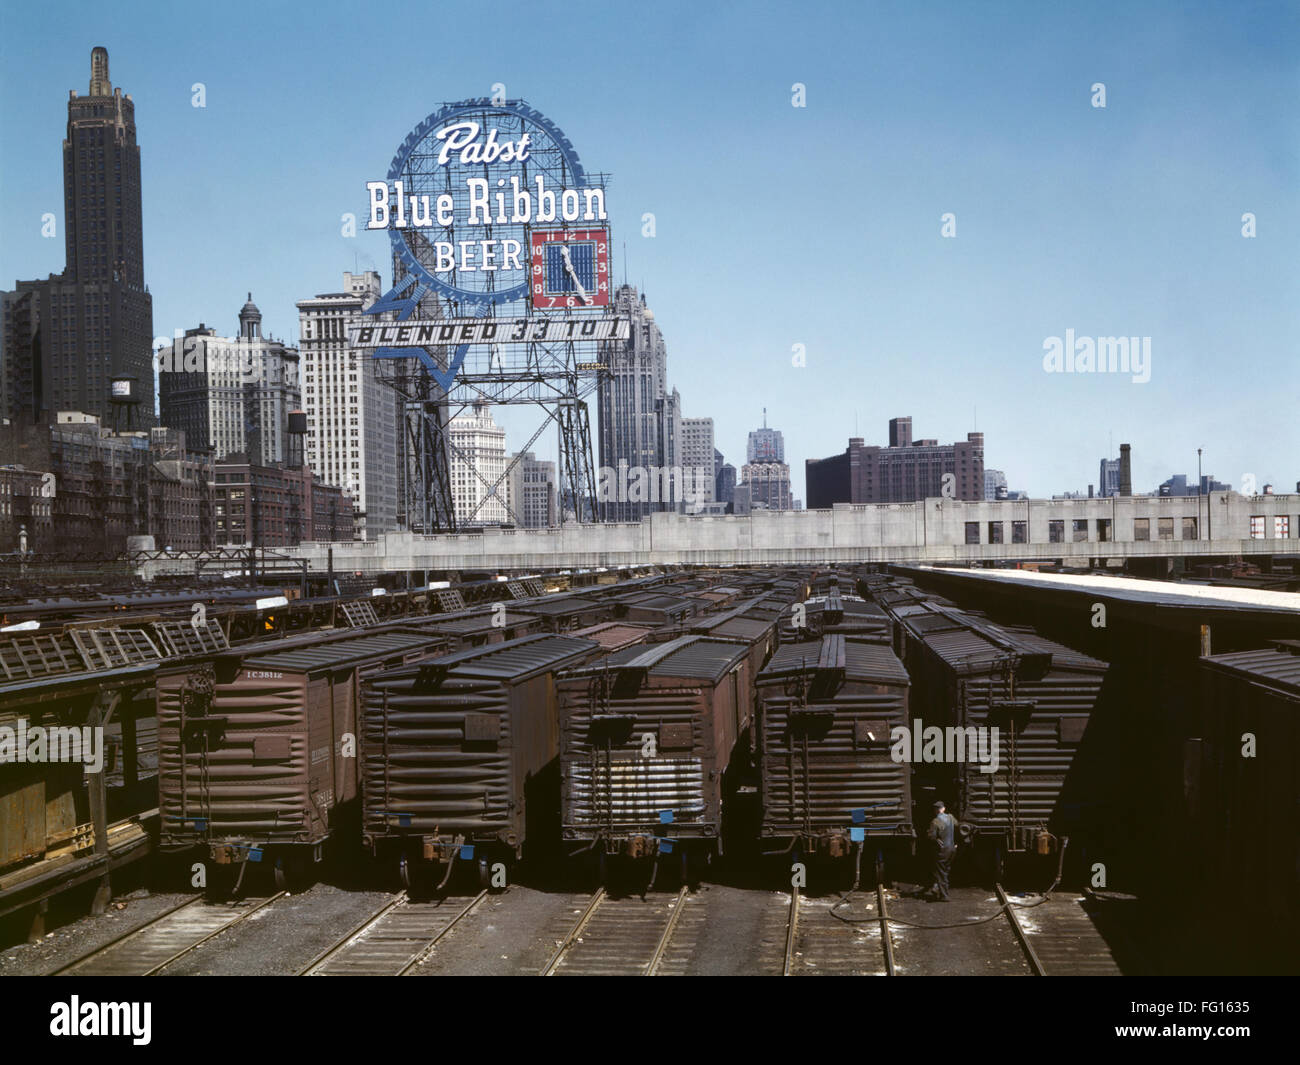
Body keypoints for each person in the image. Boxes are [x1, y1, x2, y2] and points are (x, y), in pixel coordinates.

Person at [926, 800, 956, 901]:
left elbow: (931, 836)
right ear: (943, 809)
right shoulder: (951, 818)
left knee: (941, 873)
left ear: (935, 810)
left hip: (942, 851)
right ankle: (937, 888)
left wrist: (935, 838)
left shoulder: (935, 821)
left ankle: (944, 896)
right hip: (952, 849)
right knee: (945, 871)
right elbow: (957, 826)